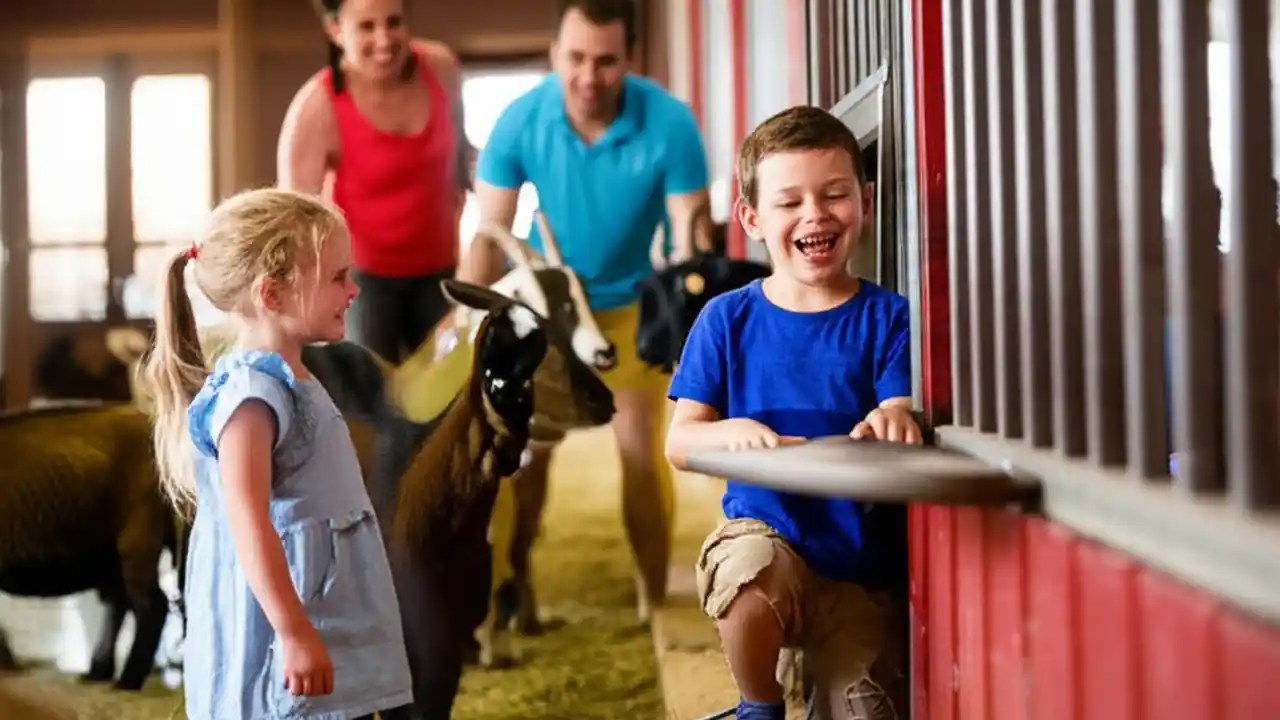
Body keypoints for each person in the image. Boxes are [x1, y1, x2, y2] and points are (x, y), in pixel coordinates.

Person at [454, 0, 712, 622]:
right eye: (575, 59)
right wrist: (464, 325)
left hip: (629, 310)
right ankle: (518, 593)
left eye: (605, 61)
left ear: (629, 61)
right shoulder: (521, 121)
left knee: (640, 449)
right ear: (554, 56)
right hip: (550, 308)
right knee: (529, 454)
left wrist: (693, 320)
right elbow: (489, 234)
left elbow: (690, 240)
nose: (588, 76)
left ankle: (654, 598)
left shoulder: (670, 123)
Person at [664, 106, 920, 720]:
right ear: (751, 218)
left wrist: (892, 423)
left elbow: (899, 409)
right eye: (789, 202)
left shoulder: (891, 317)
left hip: (860, 569)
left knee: (866, 708)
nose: (815, 214)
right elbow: (681, 442)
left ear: (865, 200)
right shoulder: (726, 319)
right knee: (747, 574)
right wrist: (734, 431)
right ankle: (758, 705)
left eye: (834, 194)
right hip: (767, 537)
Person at [144, 188, 413, 719]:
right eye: (338, 278)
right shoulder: (251, 395)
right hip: (283, 631)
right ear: (273, 294)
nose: (354, 290)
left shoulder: (293, 377)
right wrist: (292, 633)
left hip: (326, 609)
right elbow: (248, 523)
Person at [277, 0, 473, 364]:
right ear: (336, 31)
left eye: (394, 22)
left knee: (448, 398)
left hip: (441, 270)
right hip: (363, 281)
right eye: (366, 27)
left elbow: (462, 155)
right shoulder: (317, 106)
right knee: (374, 401)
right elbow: (294, 222)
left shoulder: (442, 68)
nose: (384, 39)